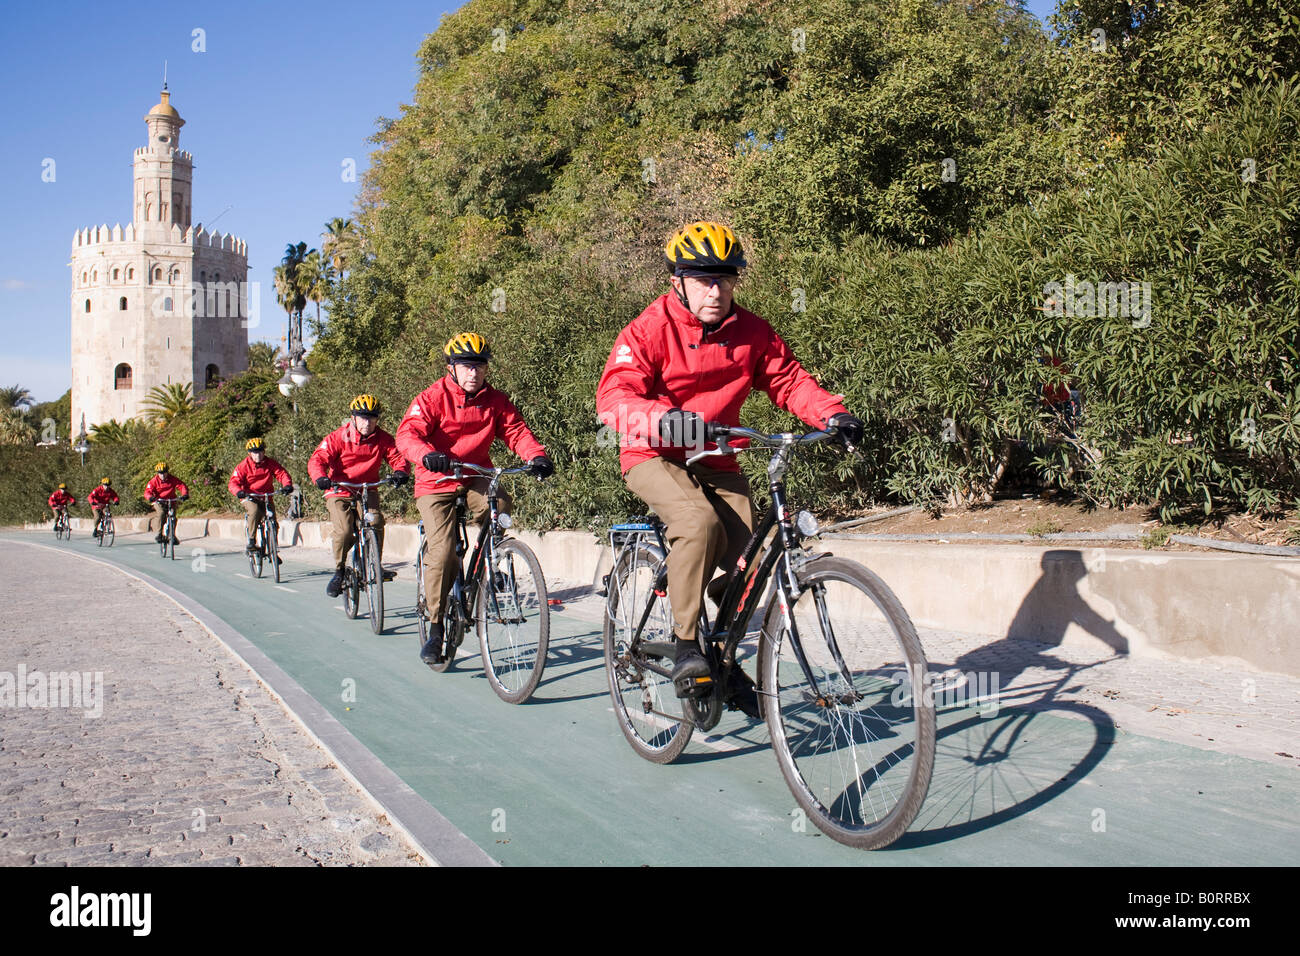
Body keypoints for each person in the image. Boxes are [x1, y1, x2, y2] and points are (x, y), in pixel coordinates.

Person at [595, 221, 863, 709]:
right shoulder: (648, 329)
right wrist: (669, 421)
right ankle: (685, 646)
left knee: (753, 560)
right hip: (653, 453)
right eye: (702, 279)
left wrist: (832, 413)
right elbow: (613, 398)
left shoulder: (752, 331)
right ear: (677, 280)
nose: (715, 290)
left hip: (716, 456)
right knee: (696, 522)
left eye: (725, 278)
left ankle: (721, 651)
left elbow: (788, 380)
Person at [396, 332, 553, 663]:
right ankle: (436, 628)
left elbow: (516, 432)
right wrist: (426, 455)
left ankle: (488, 562)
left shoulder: (495, 401)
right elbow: (407, 434)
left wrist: (536, 455)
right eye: (466, 366)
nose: (473, 372)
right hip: (436, 481)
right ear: (451, 367)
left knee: (502, 504)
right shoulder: (431, 398)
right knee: (443, 555)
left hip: (476, 474)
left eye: (479, 366)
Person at [309, 394, 409, 597]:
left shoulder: (383, 438)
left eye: (372, 418)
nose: (367, 422)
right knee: (345, 530)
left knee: (376, 521)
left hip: (367, 488)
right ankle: (339, 571)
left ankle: (374, 564)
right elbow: (318, 459)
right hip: (340, 489)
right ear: (353, 418)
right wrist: (320, 477)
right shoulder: (339, 437)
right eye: (363, 417)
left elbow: (398, 457)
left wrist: (401, 472)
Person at [229, 437, 294, 563]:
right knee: (254, 511)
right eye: (254, 452)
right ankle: (252, 542)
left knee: (273, 523)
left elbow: (282, 474)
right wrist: (239, 491)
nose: (257, 454)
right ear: (249, 453)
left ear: (264, 452)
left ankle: (273, 551)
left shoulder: (270, 463)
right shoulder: (243, 466)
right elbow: (233, 482)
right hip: (249, 496)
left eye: (260, 451)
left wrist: (287, 485)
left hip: (266, 496)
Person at [144, 462, 189, 544]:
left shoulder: (172, 479)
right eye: (160, 473)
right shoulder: (154, 481)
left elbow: (182, 486)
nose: (163, 475)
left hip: (171, 501)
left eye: (164, 472)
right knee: (161, 514)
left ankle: (172, 535)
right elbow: (147, 491)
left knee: (173, 517)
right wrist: (150, 497)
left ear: (167, 472)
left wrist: (185, 494)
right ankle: (159, 534)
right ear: (157, 473)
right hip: (159, 501)